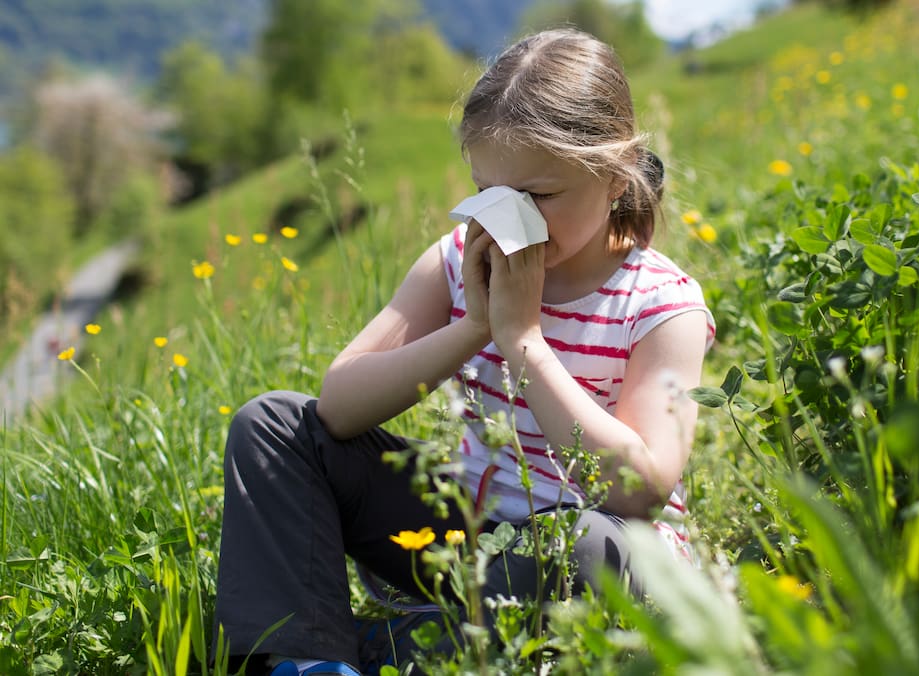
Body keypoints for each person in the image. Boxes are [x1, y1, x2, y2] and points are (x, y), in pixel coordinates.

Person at [213, 28, 715, 676]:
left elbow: (639, 493)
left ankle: (399, 653)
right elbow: (338, 408)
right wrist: (476, 325)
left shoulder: (658, 304)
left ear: (615, 175)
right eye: (489, 192)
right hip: (464, 536)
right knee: (273, 424)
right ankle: (310, 662)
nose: (510, 221)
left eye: (536, 196)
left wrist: (524, 341)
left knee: (588, 545)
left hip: (589, 555)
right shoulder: (457, 260)